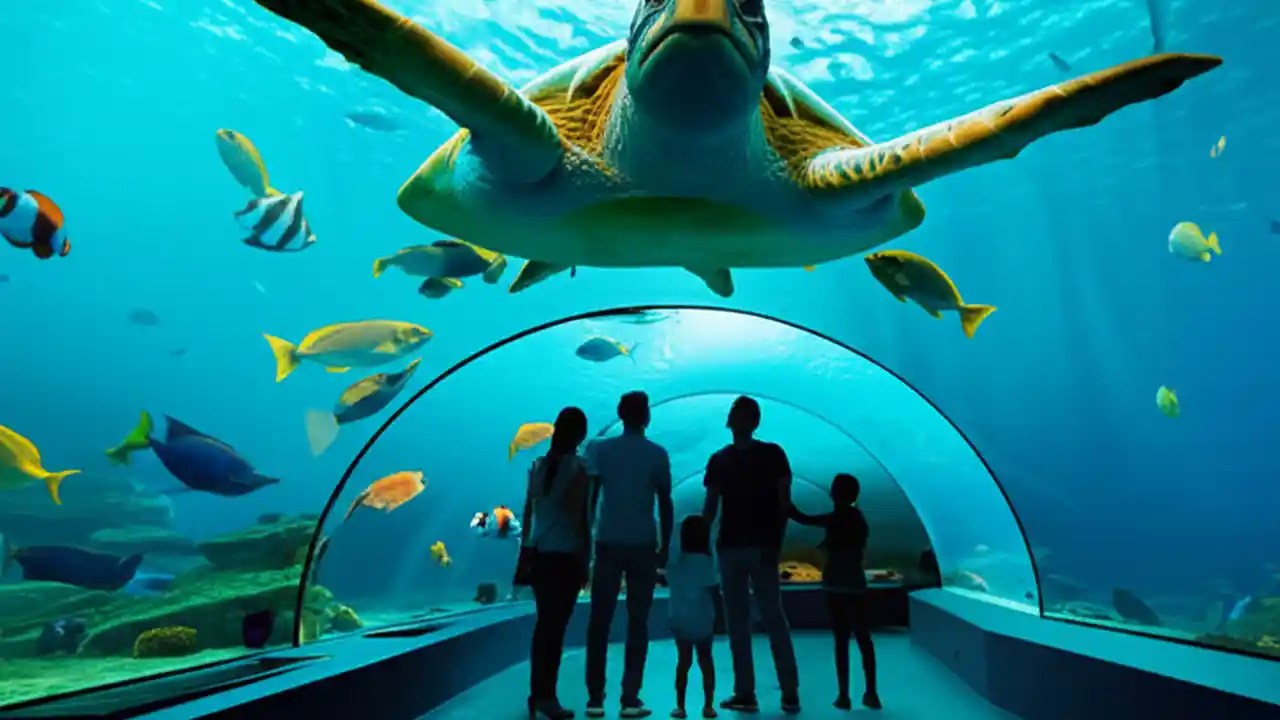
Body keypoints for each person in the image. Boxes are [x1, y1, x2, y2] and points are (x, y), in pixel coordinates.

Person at [701, 396, 799, 715]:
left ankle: (773, 691)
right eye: (735, 413)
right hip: (737, 547)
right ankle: (767, 691)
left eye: (740, 414)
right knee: (752, 619)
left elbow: (711, 508)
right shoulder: (766, 455)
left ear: (752, 421)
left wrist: (775, 545)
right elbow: (711, 507)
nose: (736, 418)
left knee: (760, 618)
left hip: (748, 547)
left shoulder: (738, 458)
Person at [584, 391, 674, 719]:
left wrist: (585, 539)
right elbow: (665, 500)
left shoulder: (600, 448)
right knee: (639, 621)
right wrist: (666, 544)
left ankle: (595, 698)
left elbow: (591, 501)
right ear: (647, 416)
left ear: (620, 414)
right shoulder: (657, 454)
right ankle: (629, 699)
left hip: (606, 542)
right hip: (643, 545)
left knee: (599, 620)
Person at [520, 407, 592, 720]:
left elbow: (528, 512)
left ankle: (538, 695)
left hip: (539, 555)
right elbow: (580, 516)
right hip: (565, 556)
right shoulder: (579, 468)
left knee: (543, 627)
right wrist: (585, 557)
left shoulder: (537, 465)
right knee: (555, 629)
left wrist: (525, 551)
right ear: (580, 435)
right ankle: (547, 698)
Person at [790, 473, 881, 711]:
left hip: (834, 584)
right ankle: (871, 692)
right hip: (856, 584)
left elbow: (804, 519)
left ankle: (844, 695)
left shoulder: (834, 519)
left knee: (841, 640)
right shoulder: (859, 520)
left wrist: (786, 504)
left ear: (834, 494)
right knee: (864, 638)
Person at [666, 515, 719, 719]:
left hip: (680, 618)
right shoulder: (707, 562)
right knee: (706, 661)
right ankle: (708, 706)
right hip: (703, 619)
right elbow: (713, 589)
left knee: (683, 662)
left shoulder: (676, 563)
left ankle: (680, 706)